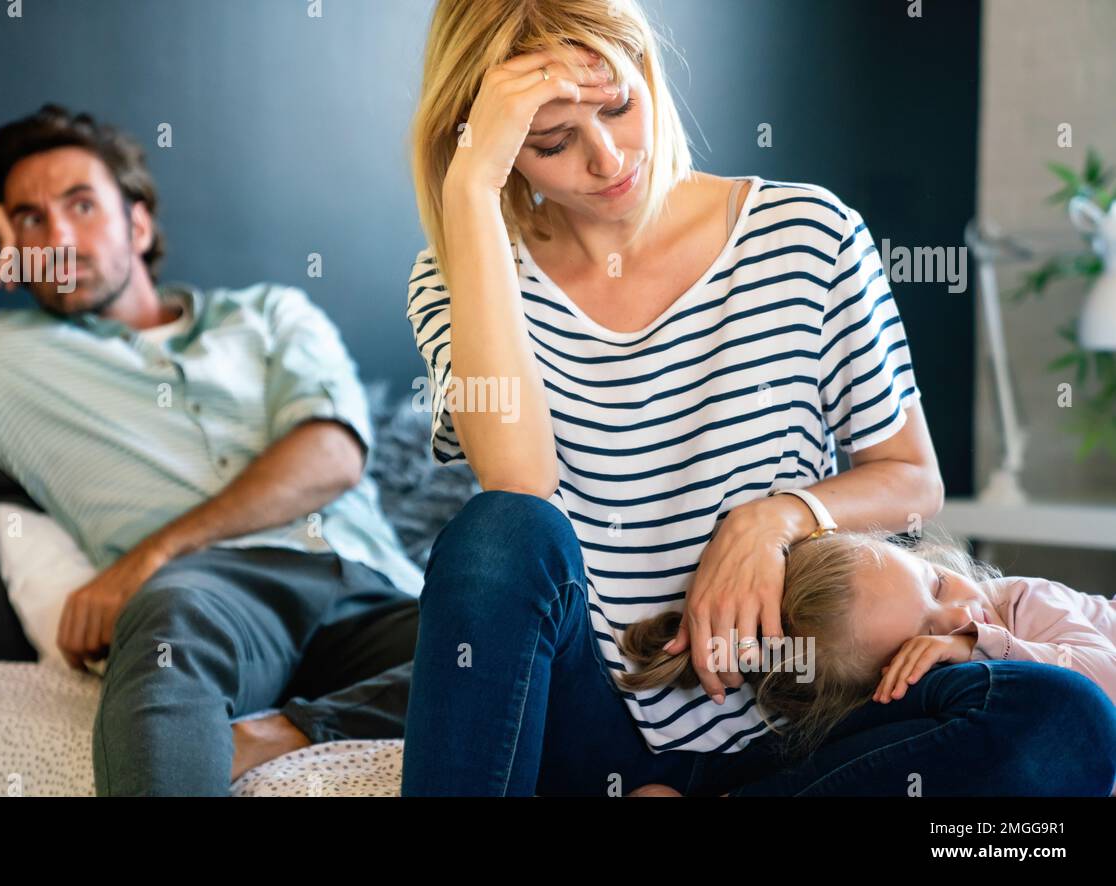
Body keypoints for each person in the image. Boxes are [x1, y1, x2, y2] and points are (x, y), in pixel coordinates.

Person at [246, 0, 1116, 797]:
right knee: (499, 531)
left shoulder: (806, 235)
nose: (608, 157)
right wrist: (470, 190)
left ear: (646, 71)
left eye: (617, 106)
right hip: (592, 728)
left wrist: (774, 517)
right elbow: (520, 481)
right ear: (498, 148)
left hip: (808, 730)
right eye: (550, 141)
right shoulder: (460, 275)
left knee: (1064, 720)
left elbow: (911, 478)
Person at [0, 104, 421, 796]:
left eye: (80, 204)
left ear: (137, 223)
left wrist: (149, 555)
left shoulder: (271, 314)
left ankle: (277, 733)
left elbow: (332, 454)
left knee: (524, 647)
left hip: (373, 584)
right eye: (30, 219)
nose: (59, 236)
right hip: (215, 603)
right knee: (171, 618)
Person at [615, 529, 1116, 795]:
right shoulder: (925, 721)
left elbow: (1105, 687)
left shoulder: (1019, 601)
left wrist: (977, 643)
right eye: (927, 636)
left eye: (936, 583)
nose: (962, 613)